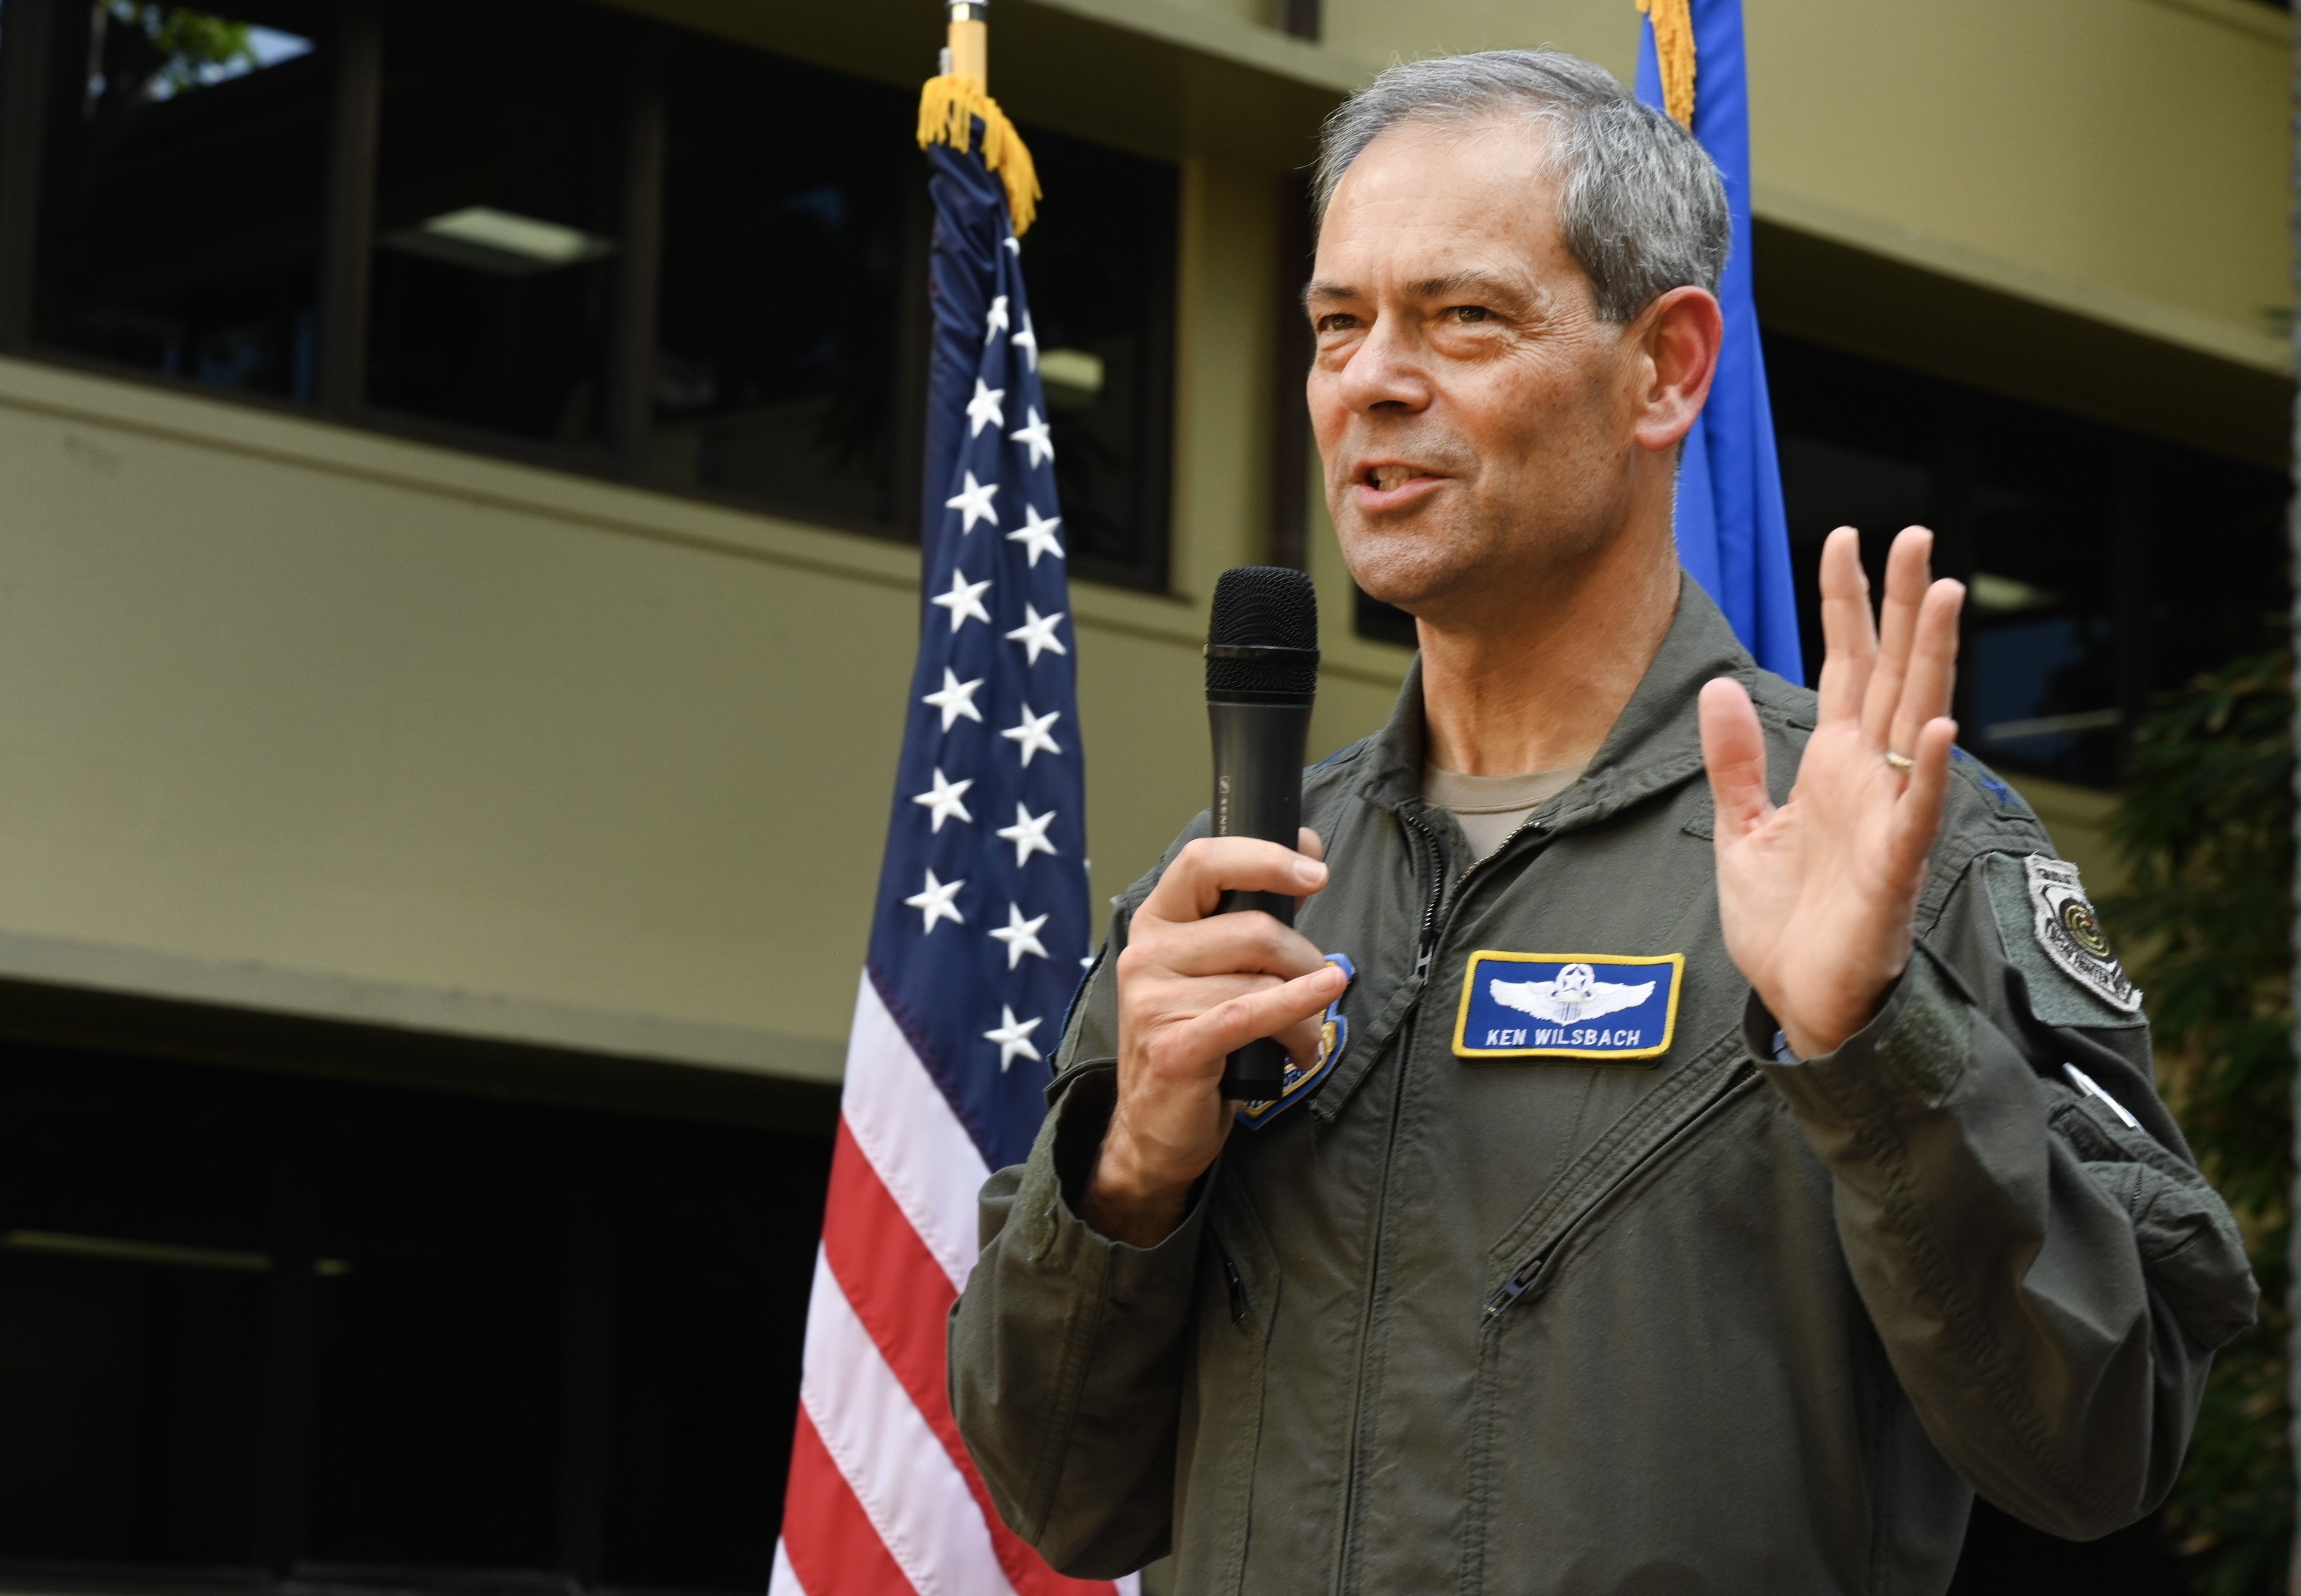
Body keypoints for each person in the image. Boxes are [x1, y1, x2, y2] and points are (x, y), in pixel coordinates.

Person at [948, 50, 2257, 1594]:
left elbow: (2102, 1444)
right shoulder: (1239, 887)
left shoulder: (1893, 849)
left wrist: (1878, 1043)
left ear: (1666, 369)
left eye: (1463, 318)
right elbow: (1054, 1497)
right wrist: (1126, 1181)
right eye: (1335, 325)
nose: (1370, 379)